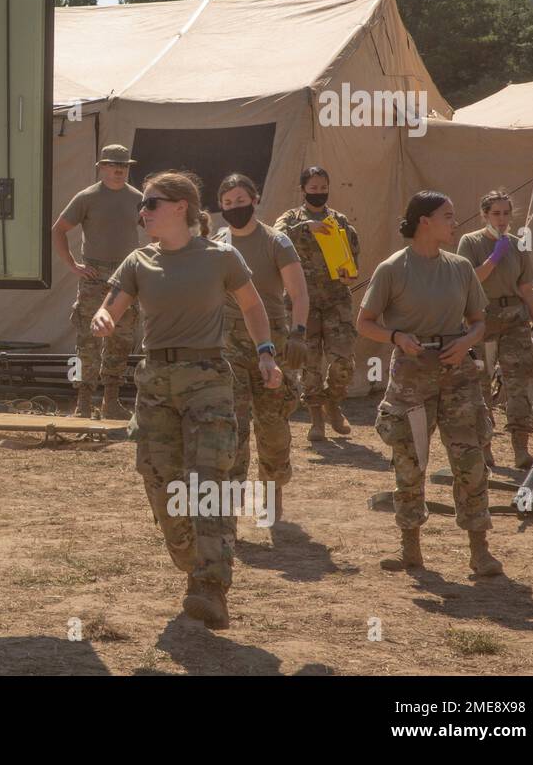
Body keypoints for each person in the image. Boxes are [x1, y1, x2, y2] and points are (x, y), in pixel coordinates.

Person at [92, 171, 284, 629]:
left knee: (210, 482)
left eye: (152, 204)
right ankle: (189, 554)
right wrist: (103, 318)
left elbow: (254, 306)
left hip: (209, 380)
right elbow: (111, 305)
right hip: (156, 381)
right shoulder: (139, 261)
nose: (144, 213)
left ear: (181, 206)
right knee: (158, 478)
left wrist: (265, 352)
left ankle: (210, 587)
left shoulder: (221, 257)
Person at [357, 192, 501, 577]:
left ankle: (479, 551)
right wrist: (398, 338)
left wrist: (467, 342)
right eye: (448, 216)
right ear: (424, 221)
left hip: (459, 375)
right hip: (412, 375)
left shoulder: (460, 268)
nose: (455, 223)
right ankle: (410, 549)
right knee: (410, 461)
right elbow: (365, 322)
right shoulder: (392, 269)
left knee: (470, 461)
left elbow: (478, 321)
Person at [216, 174, 309, 517]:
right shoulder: (219, 242)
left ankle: (273, 487)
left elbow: (298, 293)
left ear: (254, 200)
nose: (234, 208)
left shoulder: (276, 241)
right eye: (227, 203)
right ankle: (234, 503)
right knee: (233, 424)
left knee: (272, 425)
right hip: (227, 343)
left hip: (271, 340)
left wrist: (298, 332)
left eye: (240, 201)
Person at [52, 144, 144, 419]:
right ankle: (83, 401)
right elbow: (59, 230)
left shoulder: (138, 199)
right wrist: (73, 266)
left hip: (125, 277)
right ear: (101, 168)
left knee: (121, 337)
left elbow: (158, 229)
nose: (119, 170)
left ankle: (111, 400)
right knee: (87, 339)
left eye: (124, 166)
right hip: (95, 276)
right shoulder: (87, 198)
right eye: (113, 165)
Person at [456, 191, 533, 469]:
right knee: (480, 382)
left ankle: (521, 449)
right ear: (484, 214)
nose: (502, 219)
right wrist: (494, 258)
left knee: (518, 383)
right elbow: (469, 281)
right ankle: (484, 446)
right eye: (496, 213)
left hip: (514, 317)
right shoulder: (470, 242)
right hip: (480, 316)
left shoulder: (518, 245)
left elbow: (525, 288)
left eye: (506, 213)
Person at [275, 166, 360, 441]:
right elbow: (276, 239)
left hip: (336, 301)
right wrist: (306, 227)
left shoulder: (341, 222)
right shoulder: (290, 220)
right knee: (310, 363)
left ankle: (333, 403)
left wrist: (350, 274)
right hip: (302, 302)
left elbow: (352, 257)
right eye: (313, 188)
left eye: (323, 188)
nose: (319, 193)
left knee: (343, 362)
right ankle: (316, 419)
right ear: (303, 190)